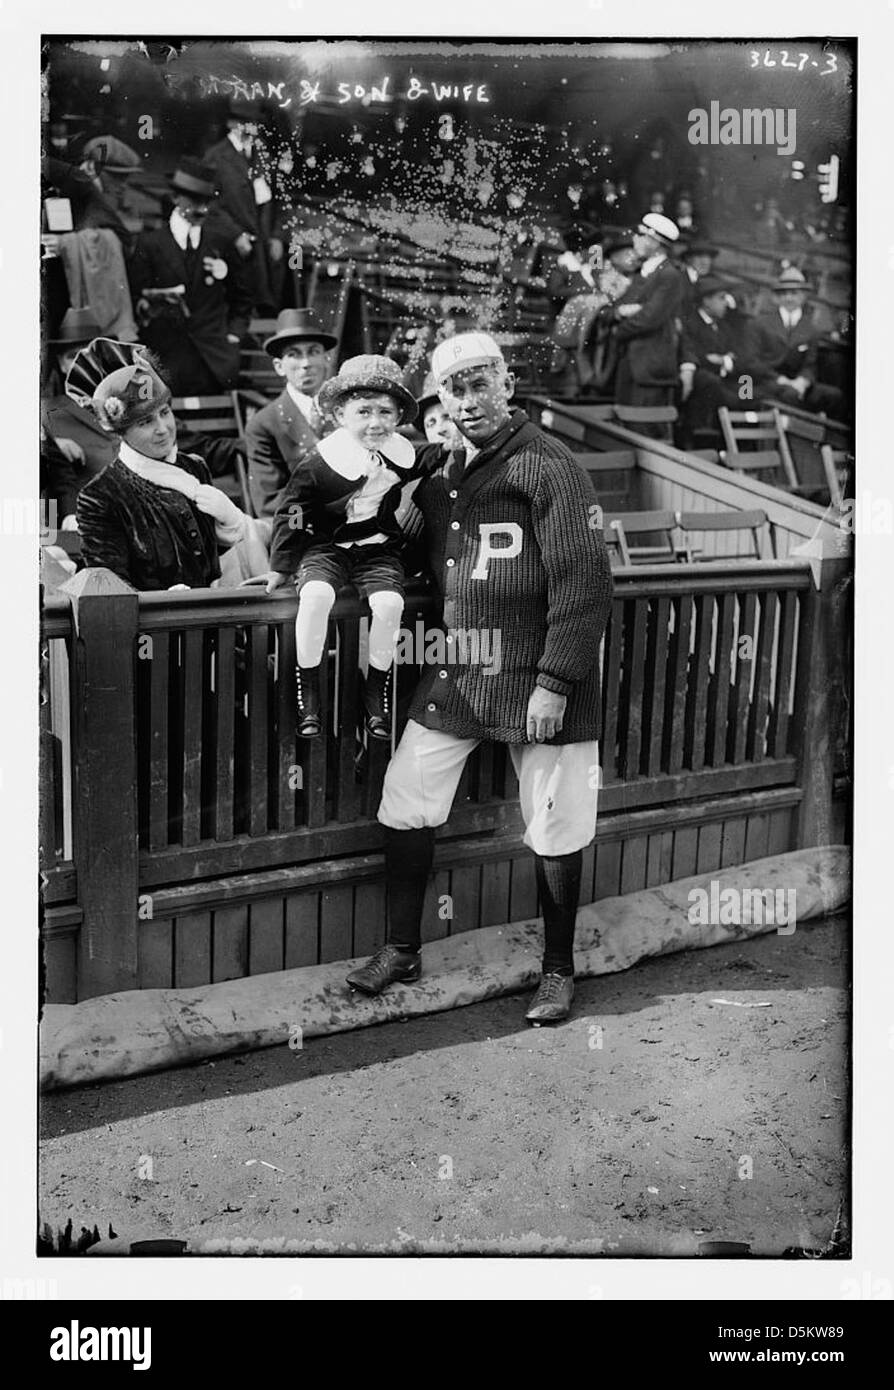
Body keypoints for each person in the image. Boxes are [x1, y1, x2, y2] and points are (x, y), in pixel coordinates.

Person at [345, 332, 614, 1025]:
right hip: (462, 665)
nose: (468, 401)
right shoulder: (438, 471)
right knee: (407, 792)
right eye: (453, 390)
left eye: (480, 384)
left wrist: (556, 679)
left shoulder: (550, 465)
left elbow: (585, 581)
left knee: (557, 819)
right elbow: (382, 523)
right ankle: (403, 946)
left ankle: (557, 969)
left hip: (539, 670)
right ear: (439, 400)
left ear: (507, 385)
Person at [265, 356, 423, 740]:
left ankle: (376, 690)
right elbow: (294, 511)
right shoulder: (322, 462)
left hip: (377, 548)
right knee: (316, 595)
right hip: (327, 546)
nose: (375, 422)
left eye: (386, 412)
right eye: (363, 411)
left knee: (389, 604)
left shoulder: (403, 454)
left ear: (399, 415)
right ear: (339, 414)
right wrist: (284, 563)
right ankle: (309, 688)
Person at [66, 339, 267, 591]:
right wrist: (164, 602)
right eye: (145, 422)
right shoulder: (100, 496)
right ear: (122, 433)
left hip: (210, 615)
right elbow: (109, 589)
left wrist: (228, 526)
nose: (162, 429)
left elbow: (206, 561)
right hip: (152, 627)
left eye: (164, 412)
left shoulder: (194, 468)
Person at [129, 158, 252, 396]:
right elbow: (135, 296)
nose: (203, 209)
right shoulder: (150, 244)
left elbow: (243, 297)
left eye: (207, 202)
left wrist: (233, 336)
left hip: (213, 361)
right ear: (176, 198)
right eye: (195, 201)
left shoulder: (220, 242)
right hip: (165, 361)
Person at [245, 308, 337, 517]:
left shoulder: (347, 410)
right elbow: (270, 504)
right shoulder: (264, 425)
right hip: (302, 530)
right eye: (294, 355)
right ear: (279, 366)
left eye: (313, 351)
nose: (305, 364)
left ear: (327, 358)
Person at [203, 99, 285, 316]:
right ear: (231, 124)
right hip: (232, 248)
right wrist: (235, 234)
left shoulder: (264, 157)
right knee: (241, 306)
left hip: (265, 249)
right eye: (245, 122)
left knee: (268, 306)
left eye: (256, 123)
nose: (252, 128)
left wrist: (277, 236)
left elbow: (278, 202)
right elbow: (209, 205)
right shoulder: (215, 157)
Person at [41, 307, 118, 526]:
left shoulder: (128, 401)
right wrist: (49, 442)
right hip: (92, 517)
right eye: (72, 356)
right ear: (63, 364)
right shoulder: (45, 412)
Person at [610, 213, 685, 416]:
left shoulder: (670, 275)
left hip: (651, 368)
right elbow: (616, 308)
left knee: (644, 431)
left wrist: (617, 330)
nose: (635, 239)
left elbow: (648, 319)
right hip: (630, 364)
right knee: (624, 428)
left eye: (640, 236)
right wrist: (621, 313)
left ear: (655, 242)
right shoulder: (641, 272)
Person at [746, 266, 844, 417]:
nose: (789, 298)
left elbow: (810, 365)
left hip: (796, 383)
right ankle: (796, 436)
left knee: (833, 395)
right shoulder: (760, 323)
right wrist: (780, 379)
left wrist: (803, 381)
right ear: (778, 297)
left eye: (794, 293)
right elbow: (752, 362)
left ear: (803, 296)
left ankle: (823, 438)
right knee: (790, 394)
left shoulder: (810, 328)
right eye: (784, 294)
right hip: (767, 381)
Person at [677, 276, 748, 447]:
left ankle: (742, 439)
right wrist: (719, 360)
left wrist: (722, 361)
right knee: (716, 386)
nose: (726, 303)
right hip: (702, 382)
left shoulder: (724, 326)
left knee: (748, 384)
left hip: (725, 378)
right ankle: (710, 441)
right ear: (706, 301)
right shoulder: (690, 323)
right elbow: (695, 355)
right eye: (721, 298)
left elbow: (737, 355)